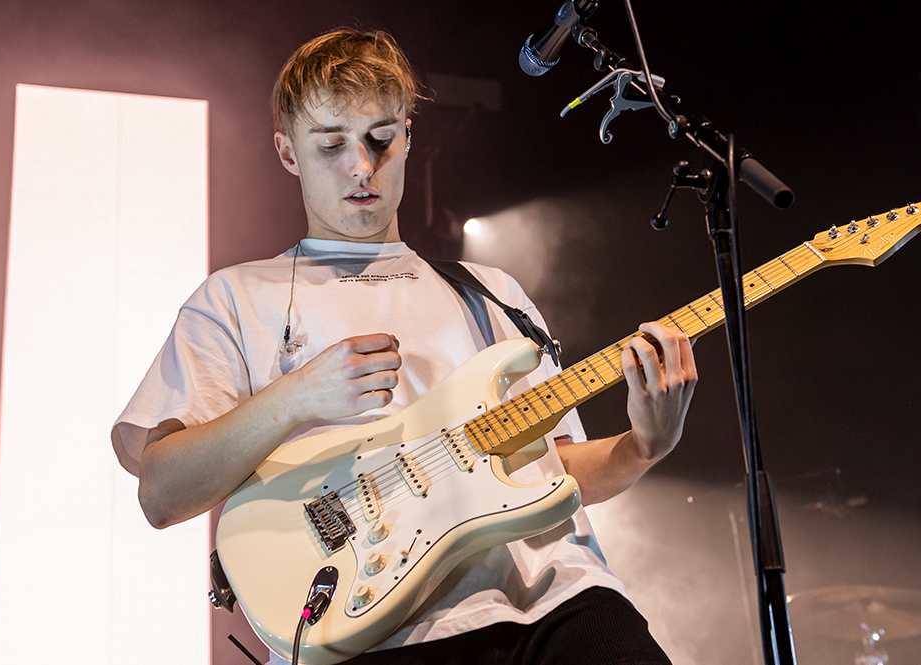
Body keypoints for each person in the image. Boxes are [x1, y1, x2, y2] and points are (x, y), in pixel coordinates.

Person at [112, 28, 697, 665]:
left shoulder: (490, 293)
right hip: (379, 629)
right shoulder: (234, 296)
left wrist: (643, 447)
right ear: (287, 153)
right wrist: (294, 399)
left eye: (381, 139)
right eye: (330, 145)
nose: (361, 167)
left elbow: (553, 472)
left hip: (563, 602)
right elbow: (161, 492)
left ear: (409, 136)